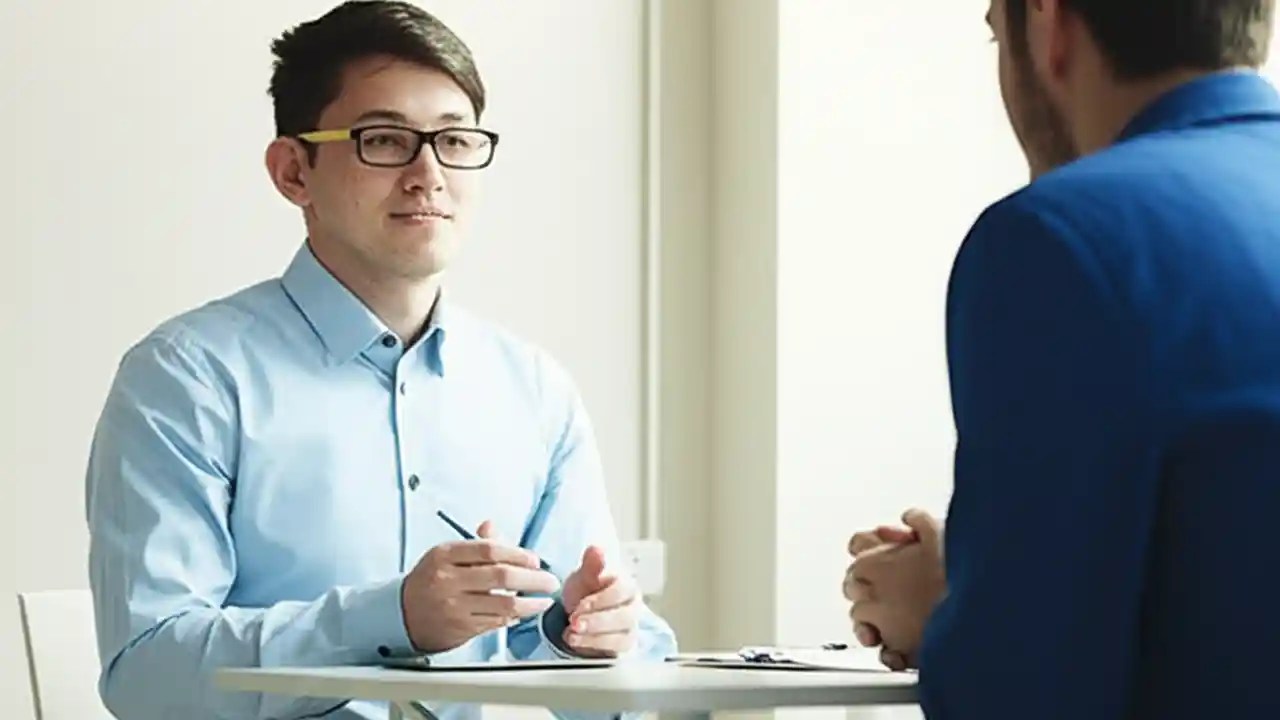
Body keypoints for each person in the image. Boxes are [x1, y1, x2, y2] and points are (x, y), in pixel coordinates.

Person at [83, 2, 677, 719]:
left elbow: (626, 669)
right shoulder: (185, 379)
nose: (429, 173)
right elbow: (148, 676)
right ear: (293, 171)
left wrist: (586, 640)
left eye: (455, 140)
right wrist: (388, 619)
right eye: (385, 140)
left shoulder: (534, 390)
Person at [843, 0, 1280, 718]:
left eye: (994, 30)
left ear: (1047, 23)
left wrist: (948, 614)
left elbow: (1021, 690)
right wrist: (988, 576)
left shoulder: (1060, 240)